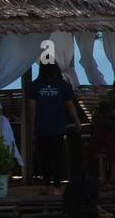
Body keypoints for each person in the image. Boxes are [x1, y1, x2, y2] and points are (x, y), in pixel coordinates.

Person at [27, 62, 83, 195]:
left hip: (42, 126)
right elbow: (70, 105)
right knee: (57, 156)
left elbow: (32, 109)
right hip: (58, 126)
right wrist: (76, 121)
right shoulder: (62, 84)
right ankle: (57, 187)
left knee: (44, 156)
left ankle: (46, 185)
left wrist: (32, 126)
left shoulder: (35, 85)